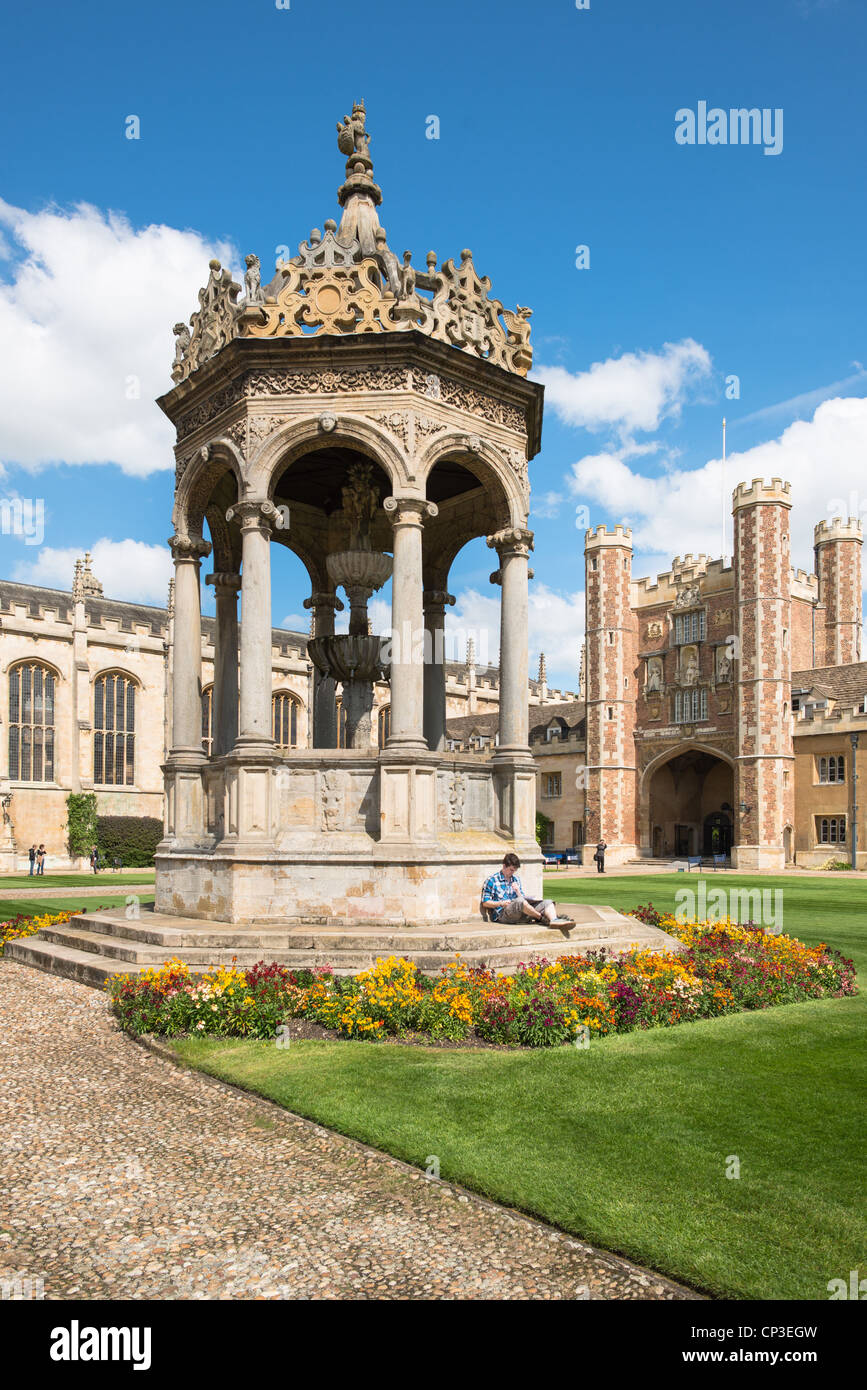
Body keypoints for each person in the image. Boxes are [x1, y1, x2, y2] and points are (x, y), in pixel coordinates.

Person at [481, 853, 573, 926]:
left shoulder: (515, 879)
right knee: (520, 901)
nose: (512, 873)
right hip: (503, 914)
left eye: (515, 870)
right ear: (504, 866)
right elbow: (485, 902)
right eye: (511, 870)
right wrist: (501, 903)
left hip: (520, 911)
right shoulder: (492, 880)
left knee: (547, 902)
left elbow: (522, 900)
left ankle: (554, 920)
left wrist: (517, 891)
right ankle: (541, 918)